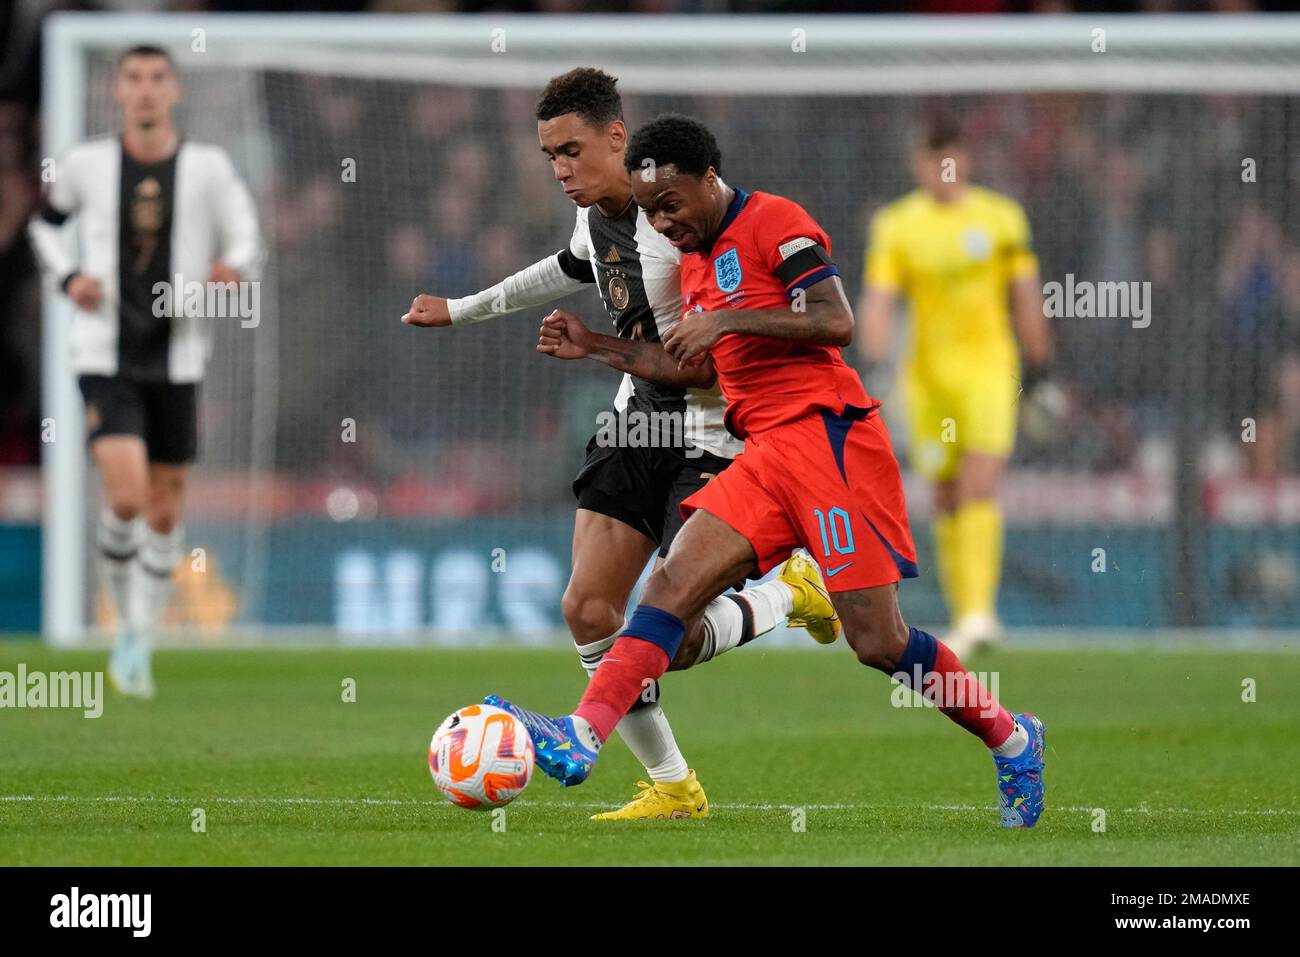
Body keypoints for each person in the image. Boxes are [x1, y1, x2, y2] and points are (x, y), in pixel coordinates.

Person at [491, 114, 1046, 829]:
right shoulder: (692, 259)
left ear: (709, 180)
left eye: (672, 204)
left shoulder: (774, 220)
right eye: (652, 210)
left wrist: (730, 321)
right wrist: (594, 344)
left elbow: (835, 320)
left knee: (877, 642)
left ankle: (1014, 736)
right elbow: (688, 365)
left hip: (830, 444)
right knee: (666, 590)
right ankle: (582, 734)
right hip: (763, 456)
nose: (664, 222)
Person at [402, 69, 835, 820]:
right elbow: (566, 268)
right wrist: (462, 309)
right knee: (590, 608)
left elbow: (703, 361)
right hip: (638, 420)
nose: (561, 168)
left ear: (615, 136)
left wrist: (595, 345)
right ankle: (674, 785)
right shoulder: (595, 216)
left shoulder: (679, 228)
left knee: (668, 627)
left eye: (571, 149)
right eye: (548, 156)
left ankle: (782, 598)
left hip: (711, 432)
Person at [28, 45, 261, 697]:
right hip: (104, 354)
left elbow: (246, 235)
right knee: (127, 496)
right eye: (134, 78)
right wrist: (69, 276)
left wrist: (233, 267)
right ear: (117, 91)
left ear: (175, 89)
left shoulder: (209, 168)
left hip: (180, 356)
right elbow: (44, 227)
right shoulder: (86, 165)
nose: (146, 90)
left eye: (158, 77)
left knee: (164, 510)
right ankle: (122, 620)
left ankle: (139, 631)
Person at [860, 114, 1052, 657]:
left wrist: (1041, 370)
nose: (941, 170)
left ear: (964, 160)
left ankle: (978, 614)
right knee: (944, 493)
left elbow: (1024, 294)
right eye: (929, 159)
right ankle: (966, 610)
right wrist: (874, 367)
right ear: (916, 164)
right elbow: (880, 300)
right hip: (926, 381)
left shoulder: (1000, 218)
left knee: (978, 485)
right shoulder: (898, 225)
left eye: (949, 158)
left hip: (992, 372)